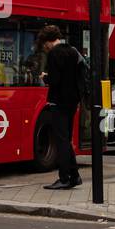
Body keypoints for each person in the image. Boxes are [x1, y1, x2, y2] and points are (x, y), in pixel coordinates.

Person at [39, 25, 83, 190]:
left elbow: (56, 80)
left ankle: (64, 178)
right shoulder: (72, 51)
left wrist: (46, 77)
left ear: (48, 41)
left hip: (59, 102)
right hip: (72, 101)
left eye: (44, 44)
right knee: (66, 139)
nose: (45, 47)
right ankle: (75, 176)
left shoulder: (54, 53)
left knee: (61, 140)